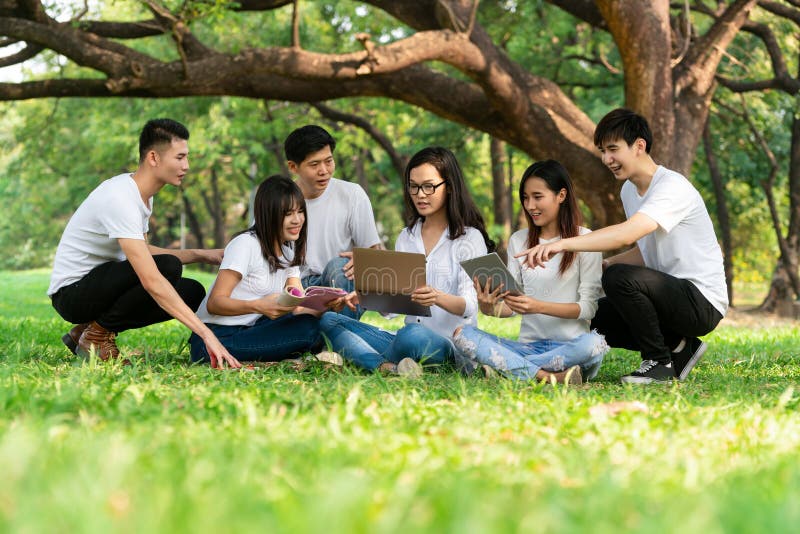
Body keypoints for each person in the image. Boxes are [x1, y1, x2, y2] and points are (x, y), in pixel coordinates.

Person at [518, 108, 728, 384]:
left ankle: (659, 364)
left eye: (613, 149)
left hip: (701, 300)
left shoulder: (672, 187)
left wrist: (563, 245)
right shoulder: (629, 191)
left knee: (618, 279)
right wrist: (607, 264)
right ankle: (679, 346)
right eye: (603, 151)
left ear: (639, 146)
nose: (607, 159)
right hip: (667, 295)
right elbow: (644, 249)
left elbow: (627, 234)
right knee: (594, 316)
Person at [48, 118, 241, 368]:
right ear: (154, 158)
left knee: (192, 292)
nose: (187, 165)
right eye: (180, 157)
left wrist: (203, 255)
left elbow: (142, 251)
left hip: (99, 284)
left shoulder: (143, 196)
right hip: (72, 294)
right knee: (167, 268)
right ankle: (96, 337)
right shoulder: (120, 198)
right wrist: (208, 335)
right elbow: (151, 277)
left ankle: (85, 331)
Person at [319, 146, 494, 375]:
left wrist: (437, 297)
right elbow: (393, 311)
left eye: (429, 186)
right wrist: (367, 297)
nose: (420, 194)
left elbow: (470, 306)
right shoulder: (406, 237)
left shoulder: (469, 238)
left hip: (446, 345)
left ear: (449, 187)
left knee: (411, 336)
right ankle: (389, 367)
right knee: (329, 321)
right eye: (414, 186)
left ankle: (366, 357)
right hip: (405, 337)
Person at [452, 160, 609, 384]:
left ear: (561, 195)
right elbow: (511, 307)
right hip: (527, 346)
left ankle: (510, 367)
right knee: (463, 335)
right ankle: (547, 376)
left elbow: (588, 309)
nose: (530, 205)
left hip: (572, 347)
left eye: (537, 196)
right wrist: (488, 306)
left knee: (594, 345)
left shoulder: (586, 239)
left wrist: (538, 306)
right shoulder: (519, 240)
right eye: (525, 198)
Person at [189, 175, 334, 364]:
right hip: (214, 338)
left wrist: (326, 305)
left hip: (253, 327)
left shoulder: (288, 252)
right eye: (288, 214)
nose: (298, 220)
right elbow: (215, 303)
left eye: (300, 211)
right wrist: (258, 305)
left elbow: (295, 307)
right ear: (269, 214)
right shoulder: (245, 244)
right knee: (309, 331)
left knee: (322, 322)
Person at [284, 125, 382, 319]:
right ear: (293, 167)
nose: (324, 171)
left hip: (339, 283)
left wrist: (364, 258)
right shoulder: (278, 200)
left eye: (328, 161)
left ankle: (340, 334)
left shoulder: (352, 194)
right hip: (296, 286)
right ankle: (322, 334)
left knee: (340, 266)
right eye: (314, 165)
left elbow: (375, 255)